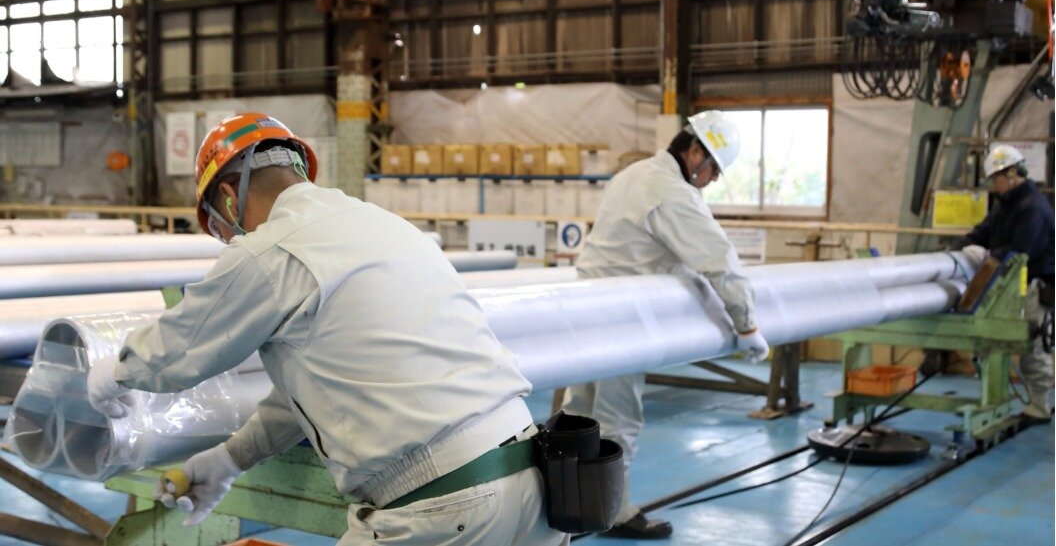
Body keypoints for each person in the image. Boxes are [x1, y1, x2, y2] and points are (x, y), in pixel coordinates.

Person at [88, 113, 568, 545]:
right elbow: (315, 395)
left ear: (229, 198)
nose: (227, 241)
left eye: (219, 229)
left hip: (441, 506)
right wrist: (229, 460)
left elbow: (177, 352)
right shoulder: (383, 225)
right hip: (535, 486)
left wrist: (111, 373)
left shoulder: (270, 250)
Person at [561, 110, 769, 540]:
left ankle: (561, 504)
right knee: (619, 418)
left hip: (585, 310)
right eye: (714, 169)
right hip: (621, 320)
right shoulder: (671, 192)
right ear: (695, 153)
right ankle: (613, 512)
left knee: (578, 412)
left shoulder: (633, 175)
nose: (712, 180)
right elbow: (718, 259)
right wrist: (747, 325)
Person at [959, 144, 1054, 424]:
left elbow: (1021, 251)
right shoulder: (1006, 204)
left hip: (1035, 286)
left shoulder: (1032, 208)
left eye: (995, 179)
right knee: (996, 340)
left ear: (1012, 174)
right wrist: (957, 249)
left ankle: (1040, 407)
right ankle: (1001, 399)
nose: (993, 185)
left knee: (1032, 347)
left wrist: (987, 256)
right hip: (1011, 285)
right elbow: (984, 231)